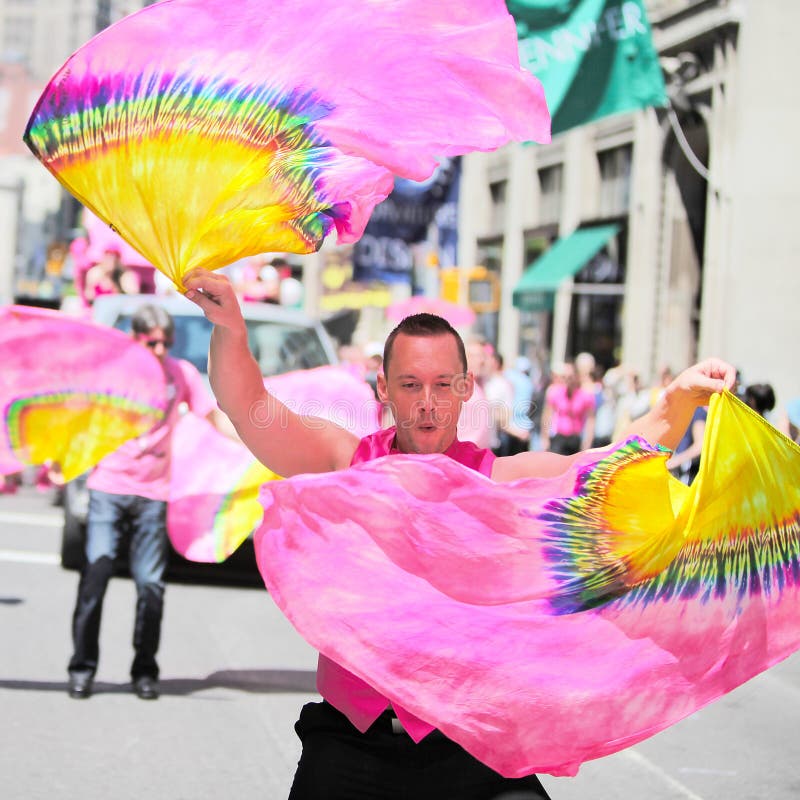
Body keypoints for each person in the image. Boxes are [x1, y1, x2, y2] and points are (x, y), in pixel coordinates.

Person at [184, 267, 735, 800]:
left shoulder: (497, 481)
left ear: (467, 387)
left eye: (443, 385)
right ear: (384, 388)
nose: (427, 403)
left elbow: (608, 466)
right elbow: (250, 408)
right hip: (354, 744)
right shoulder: (346, 462)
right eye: (410, 384)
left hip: (472, 746)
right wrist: (231, 330)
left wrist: (679, 399)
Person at [66, 305, 227, 701]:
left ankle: (144, 671)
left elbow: (212, 418)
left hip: (153, 494)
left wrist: (255, 449)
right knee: (97, 571)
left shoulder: (181, 374)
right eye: (150, 341)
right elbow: (76, 415)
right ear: (134, 338)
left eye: (165, 343)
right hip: (109, 487)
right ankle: (82, 668)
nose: (158, 349)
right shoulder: (111, 372)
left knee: (150, 584)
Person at [539, 361, 595, 455]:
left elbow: (591, 419)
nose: (568, 380)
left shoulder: (585, 396)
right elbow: (547, 415)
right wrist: (545, 438)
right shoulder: (556, 393)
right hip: (559, 437)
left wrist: (587, 442)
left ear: (577, 377)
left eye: (570, 377)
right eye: (565, 377)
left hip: (575, 438)